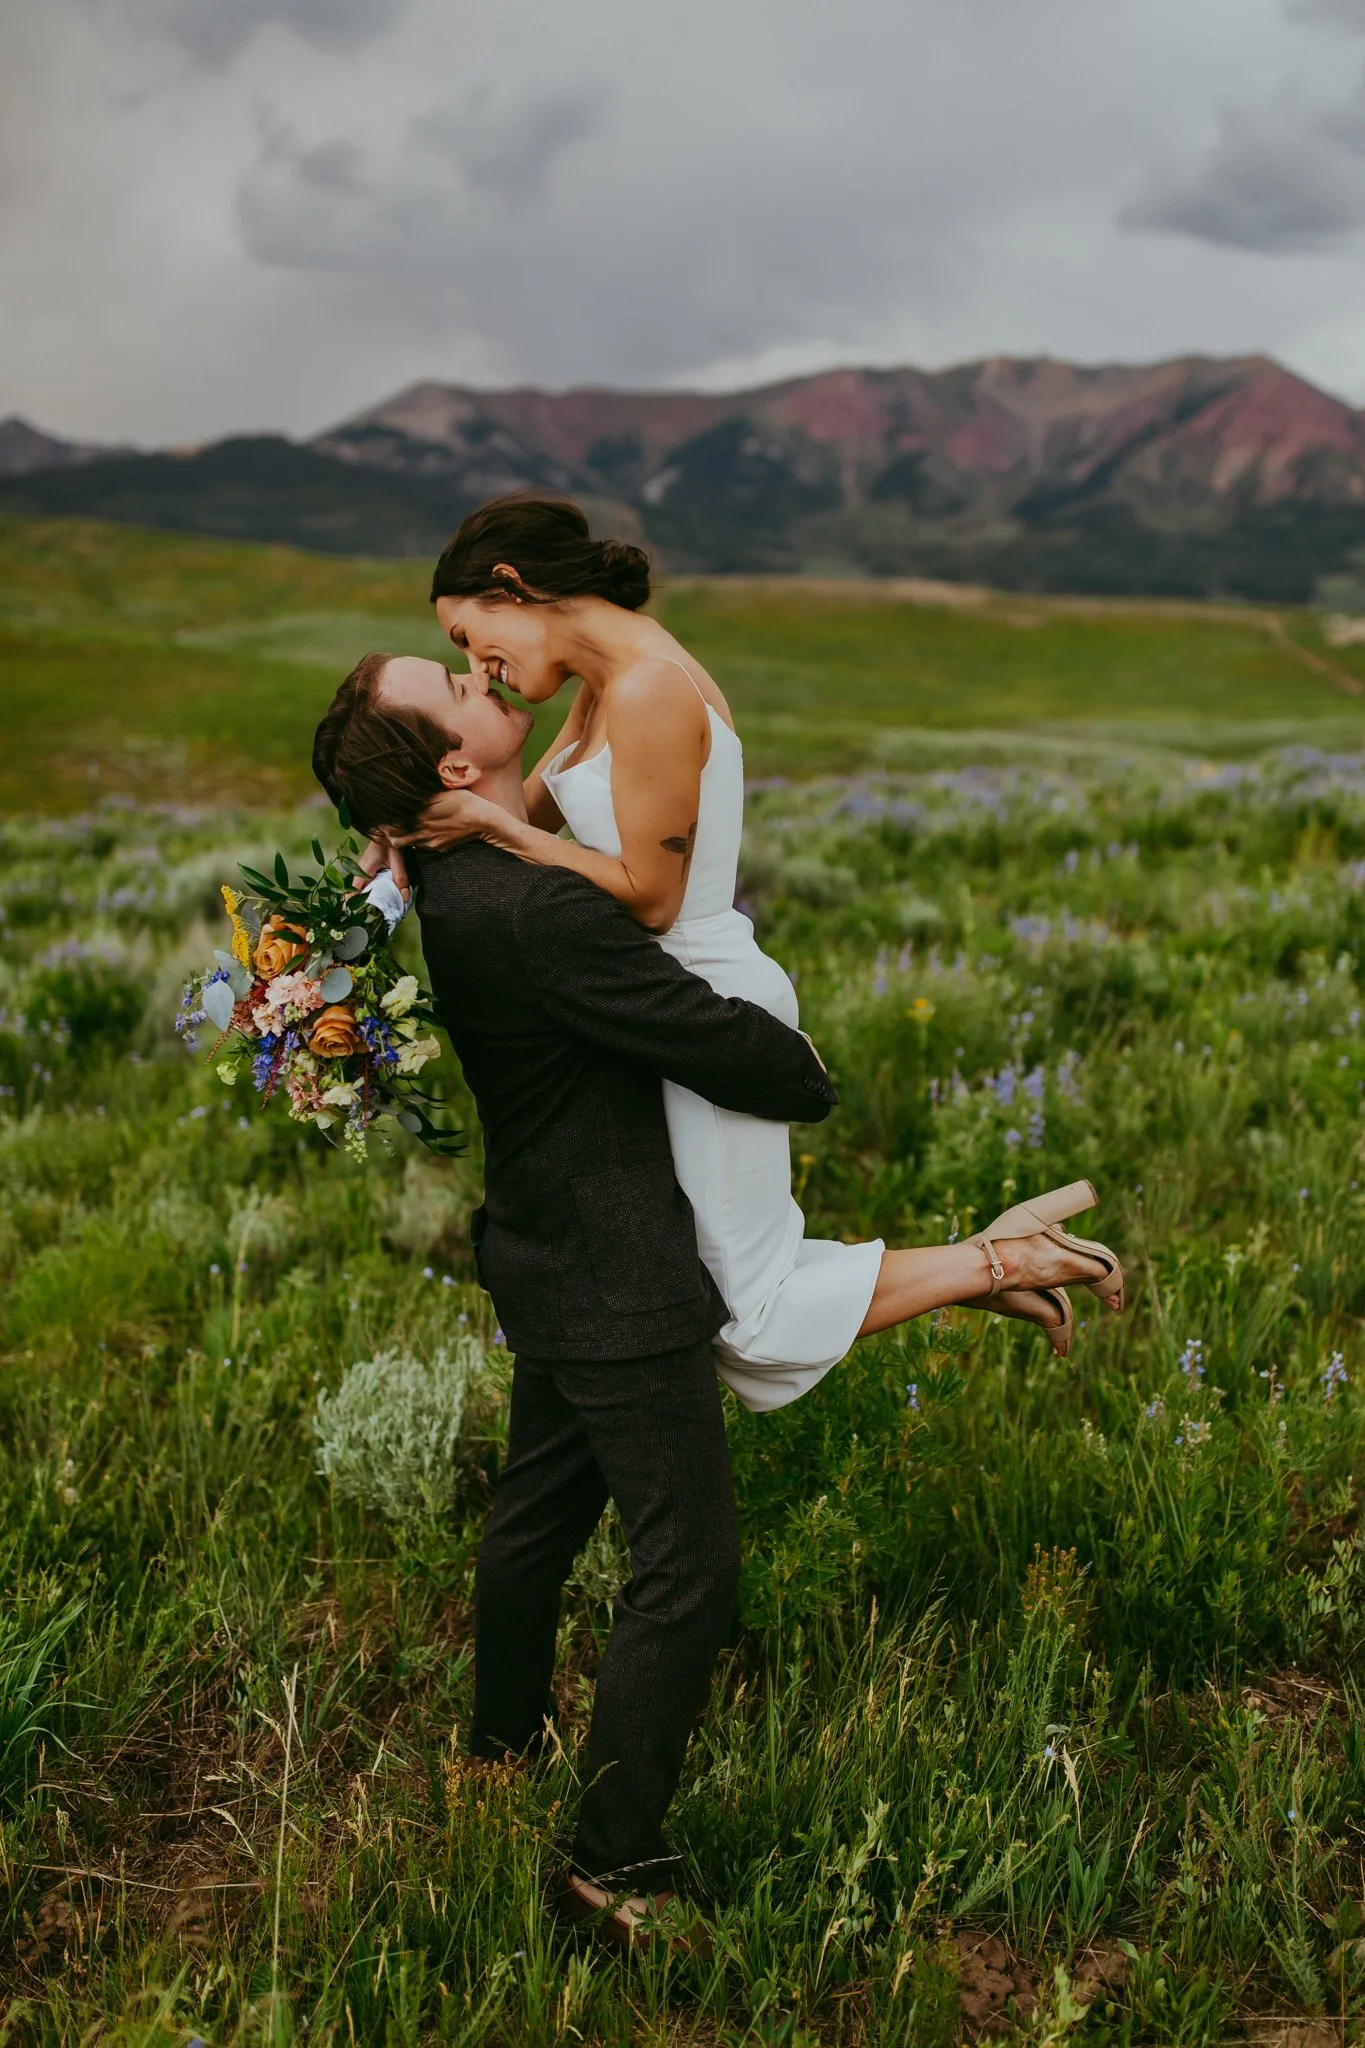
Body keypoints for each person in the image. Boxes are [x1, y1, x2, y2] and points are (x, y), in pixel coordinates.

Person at [313, 648, 1121, 1949]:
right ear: (456, 767)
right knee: (689, 1571)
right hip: (621, 1280)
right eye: (452, 685)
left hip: (546, 1245)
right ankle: (609, 1872)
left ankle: (497, 1763)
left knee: (534, 1520)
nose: (480, 676)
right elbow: (770, 1073)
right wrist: (778, 1032)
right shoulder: (534, 910)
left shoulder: (455, 877)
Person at [381, 496, 1123, 1388]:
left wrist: (490, 832)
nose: (476, 663)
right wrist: (403, 835)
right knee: (714, 1289)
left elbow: (648, 901)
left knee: (746, 1317)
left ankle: (1000, 1261)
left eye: (469, 633)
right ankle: (994, 1256)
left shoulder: (651, 686)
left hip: (701, 999)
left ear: (511, 586)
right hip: (655, 1006)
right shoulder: (605, 687)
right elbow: (522, 813)